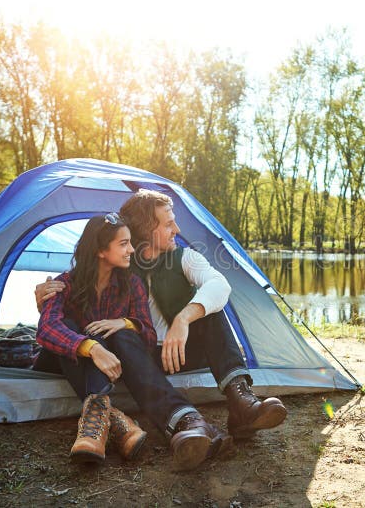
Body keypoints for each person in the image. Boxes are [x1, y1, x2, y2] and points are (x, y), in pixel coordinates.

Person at [36, 191, 286, 463]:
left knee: (209, 310)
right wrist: (49, 301)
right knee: (104, 334)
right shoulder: (107, 270)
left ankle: (241, 402)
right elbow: (63, 309)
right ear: (145, 229)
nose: (176, 229)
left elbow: (218, 286)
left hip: (168, 353)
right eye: (168, 224)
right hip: (118, 359)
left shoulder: (175, 261)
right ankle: (142, 418)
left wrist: (182, 319)